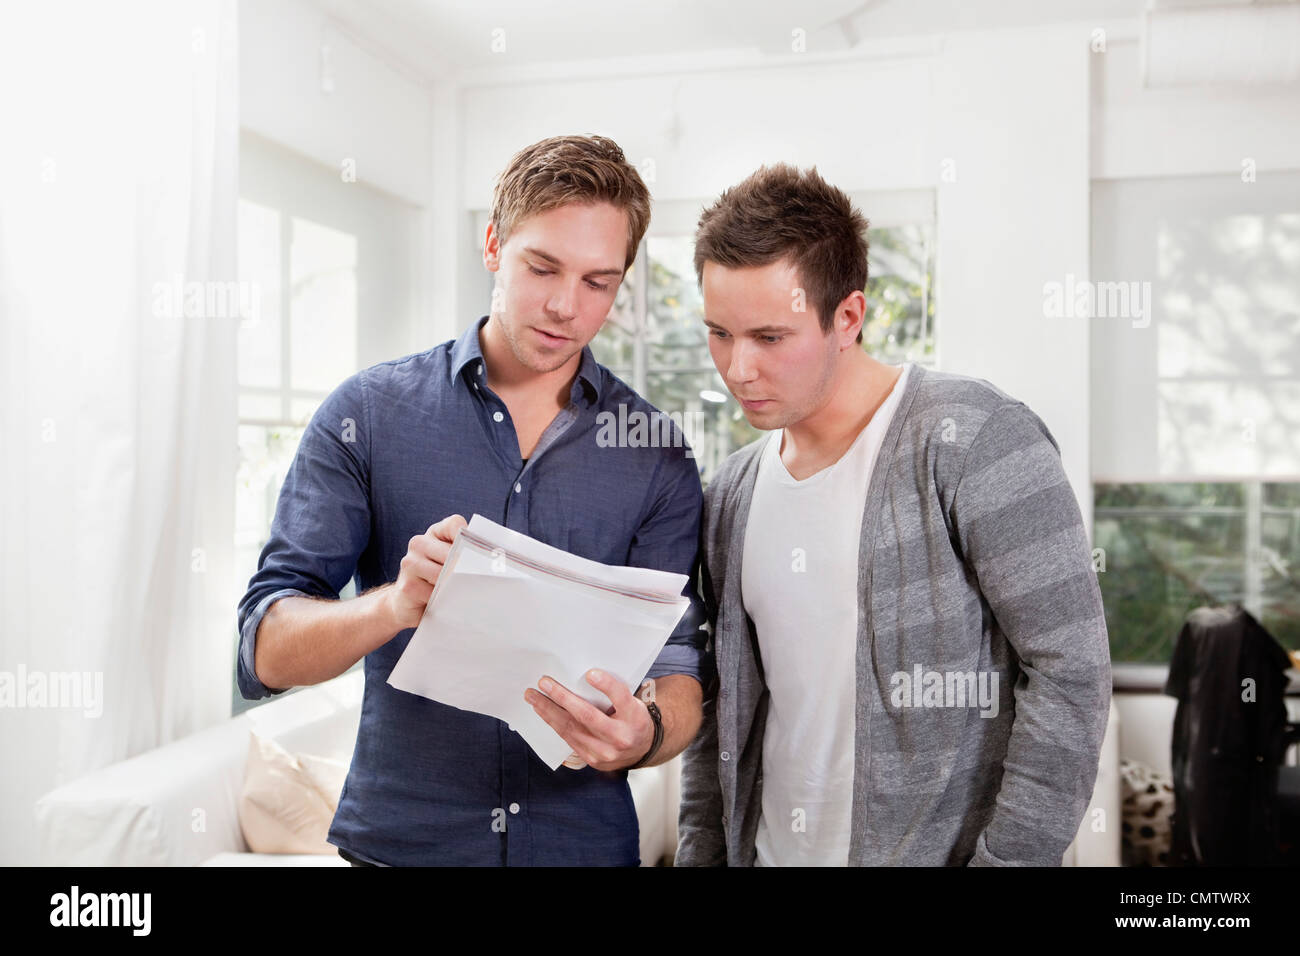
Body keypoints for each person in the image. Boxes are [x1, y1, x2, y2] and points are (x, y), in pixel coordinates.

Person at [236, 134, 708, 866]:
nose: (564, 306)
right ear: (492, 243)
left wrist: (645, 734)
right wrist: (392, 605)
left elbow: (677, 670)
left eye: (598, 282)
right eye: (542, 266)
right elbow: (265, 651)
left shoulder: (657, 454)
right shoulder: (368, 414)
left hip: (582, 849)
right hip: (403, 847)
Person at [675, 163, 1112, 866]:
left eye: (769, 337)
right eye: (719, 333)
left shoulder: (975, 439)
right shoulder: (731, 493)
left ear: (847, 317)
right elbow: (721, 716)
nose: (737, 369)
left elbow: (1071, 672)